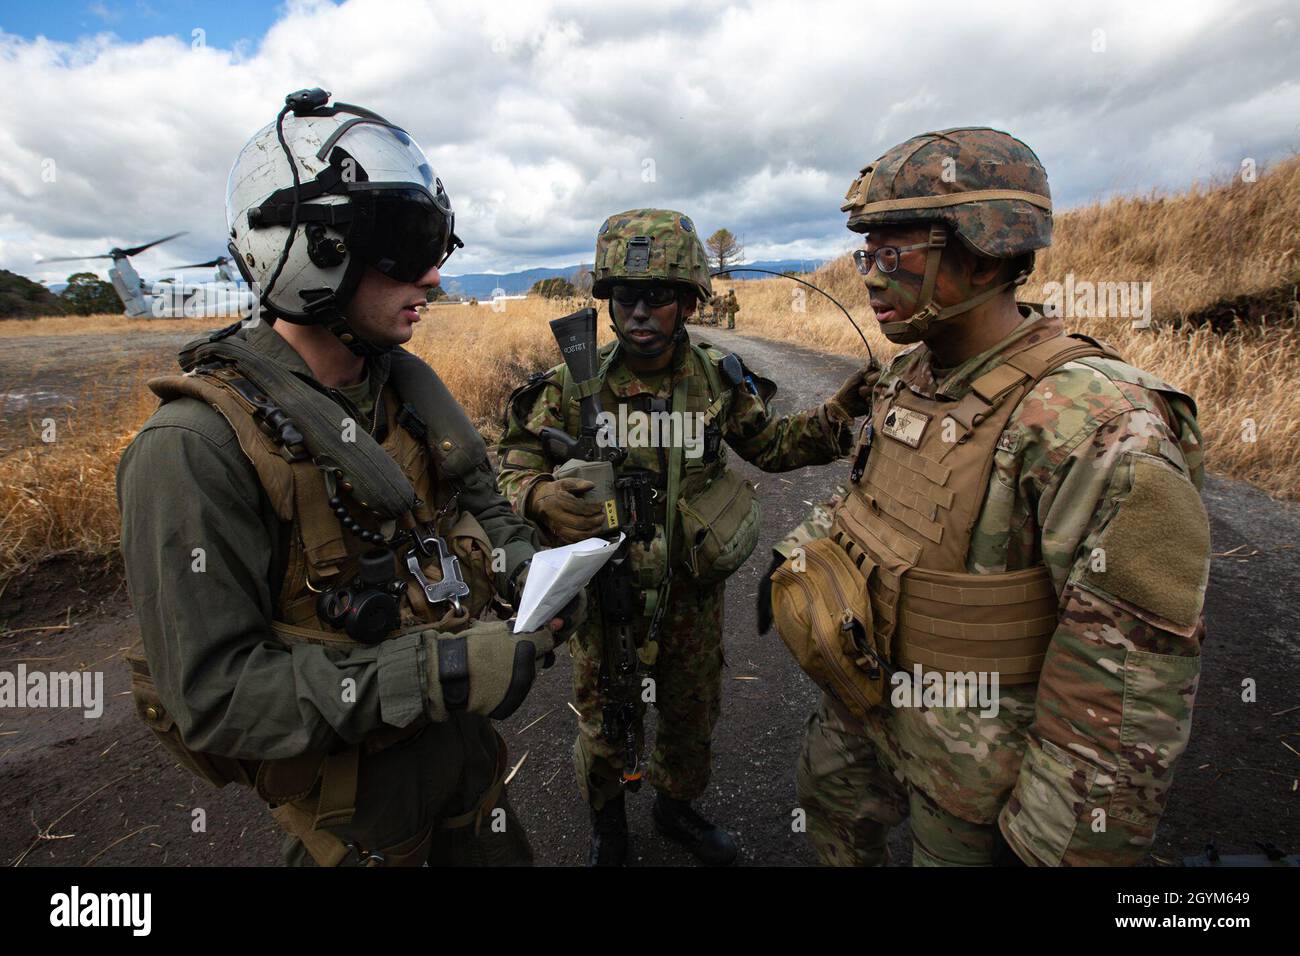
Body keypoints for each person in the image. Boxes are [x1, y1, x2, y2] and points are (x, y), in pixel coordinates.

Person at [117, 89, 581, 867]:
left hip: (473, 787)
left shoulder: (406, 396)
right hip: (360, 833)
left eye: (438, 243)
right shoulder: (193, 449)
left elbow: (482, 520)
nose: (433, 277)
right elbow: (216, 696)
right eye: (404, 245)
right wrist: (444, 671)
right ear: (307, 249)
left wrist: (540, 571)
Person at [769, 127, 1209, 866]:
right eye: (865, 255)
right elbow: (873, 512)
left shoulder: (1098, 423)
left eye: (894, 253)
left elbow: (1126, 686)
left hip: (980, 779)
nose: (870, 278)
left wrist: (1046, 847)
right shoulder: (907, 377)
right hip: (867, 707)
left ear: (981, 253)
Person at [497, 208, 873, 865]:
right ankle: (608, 828)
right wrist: (537, 495)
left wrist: (840, 414)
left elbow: (774, 446)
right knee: (604, 718)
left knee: (691, 717)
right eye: (626, 296)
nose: (640, 312)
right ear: (607, 303)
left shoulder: (716, 378)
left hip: (690, 596)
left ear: (690, 300)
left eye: (660, 297)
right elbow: (512, 462)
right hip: (604, 592)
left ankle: (676, 809)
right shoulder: (571, 383)